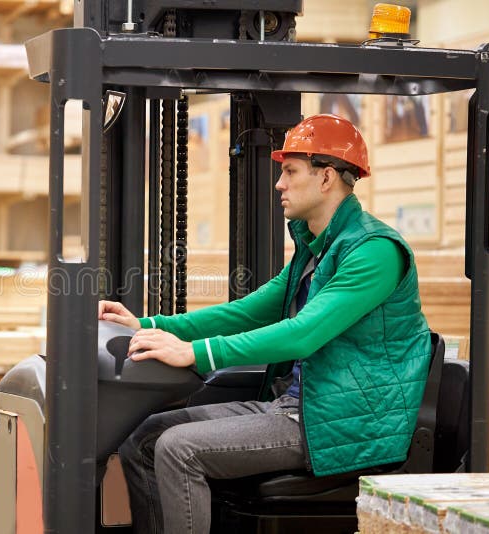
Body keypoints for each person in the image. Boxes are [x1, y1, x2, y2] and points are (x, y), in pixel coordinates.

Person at [98, 114, 432, 534]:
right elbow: (247, 311)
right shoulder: (317, 249)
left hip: (339, 419)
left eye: (290, 172)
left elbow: (303, 334)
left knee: (178, 449)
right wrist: (145, 323)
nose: (279, 184)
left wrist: (197, 352)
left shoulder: (374, 251)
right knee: (145, 437)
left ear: (327, 177)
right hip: (299, 404)